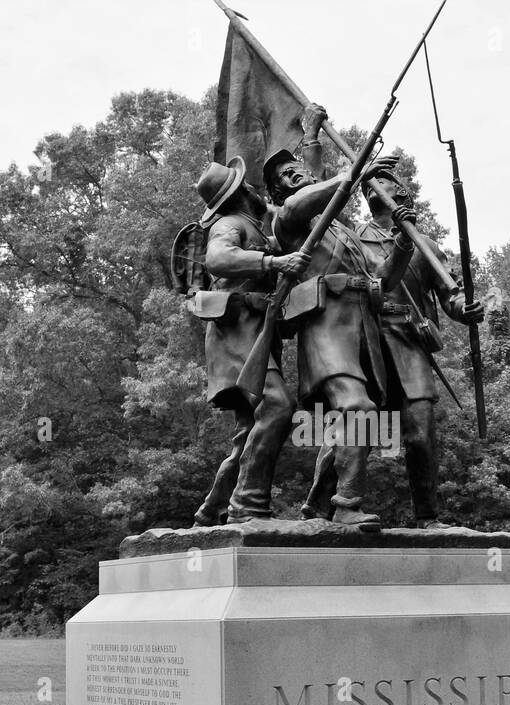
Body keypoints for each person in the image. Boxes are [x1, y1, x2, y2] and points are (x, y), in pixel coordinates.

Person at [301, 168, 484, 527]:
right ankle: (318, 504)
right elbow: (378, 281)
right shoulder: (353, 239)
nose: (374, 188)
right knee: (360, 425)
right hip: (366, 337)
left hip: (410, 341)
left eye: (383, 182)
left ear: (401, 192)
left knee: (421, 430)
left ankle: (428, 518)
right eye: (370, 184)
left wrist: (466, 310)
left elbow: (451, 294)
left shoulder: (427, 245)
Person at [262, 119, 417, 530]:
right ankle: (346, 504)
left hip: (362, 327)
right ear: (280, 191)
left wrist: (404, 238)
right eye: (284, 175)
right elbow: (313, 198)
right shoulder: (288, 219)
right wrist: (356, 172)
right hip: (325, 329)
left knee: (352, 420)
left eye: (297, 167)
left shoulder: (344, 232)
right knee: (357, 409)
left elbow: (383, 278)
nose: (294, 172)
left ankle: (315, 503)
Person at [189, 156, 308, 525]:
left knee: (248, 432)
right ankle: (247, 506)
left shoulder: (257, 227)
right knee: (277, 406)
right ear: (240, 192)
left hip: (258, 332)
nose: (254, 188)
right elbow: (219, 259)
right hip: (235, 330)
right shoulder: (229, 224)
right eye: (247, 184)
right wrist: (275, 263)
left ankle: (210, 510)